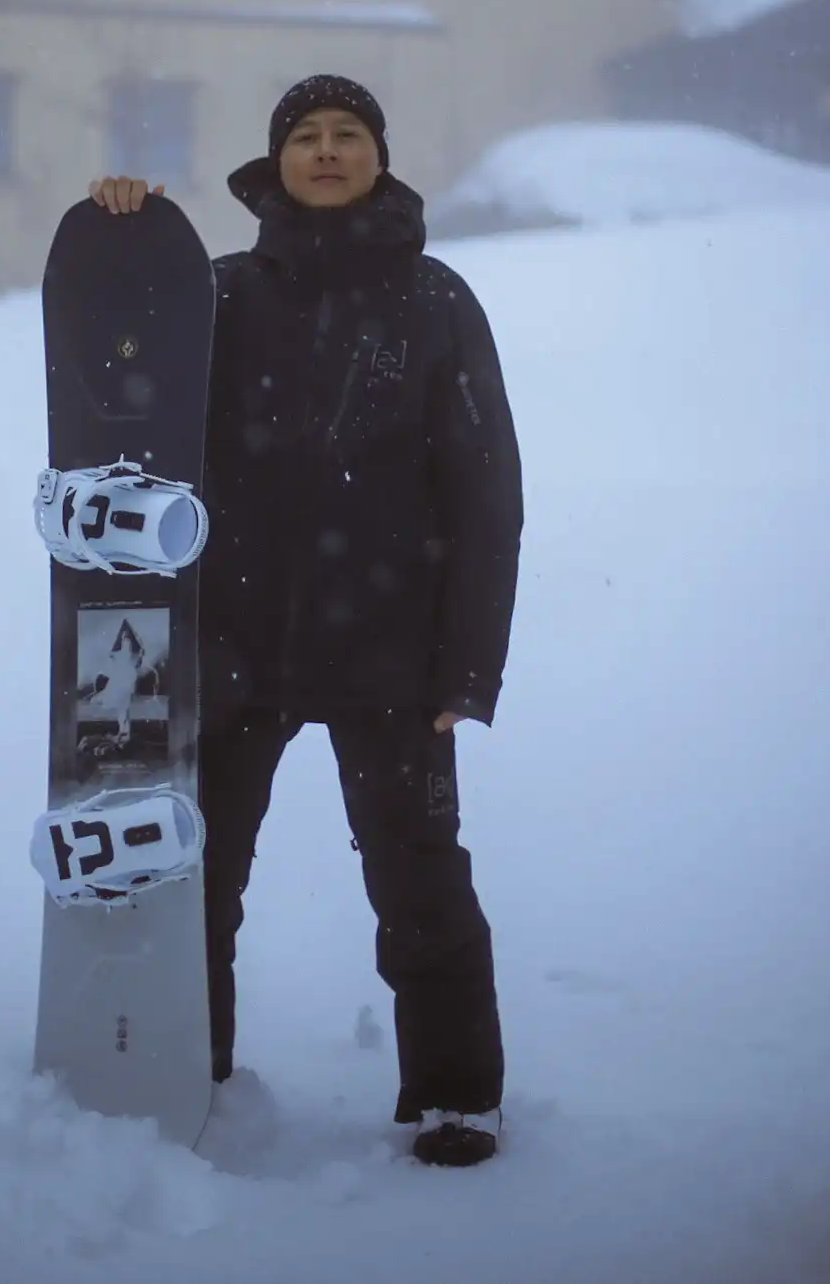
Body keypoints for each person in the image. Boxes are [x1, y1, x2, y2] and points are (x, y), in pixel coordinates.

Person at [88, 75, 523, 1168]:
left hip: (391, 653)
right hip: (233, 644)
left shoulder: (435, 300)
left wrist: (465, 672)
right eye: (306, 137)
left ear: (380, 156)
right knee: (198, 876)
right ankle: (194, 1065)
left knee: (420, 879)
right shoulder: (219, 292)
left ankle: (454, 1094)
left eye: (349, 135)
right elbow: (119, 373)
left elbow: (486, 491)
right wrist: (121, 236)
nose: (327, 151)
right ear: (274, 161)